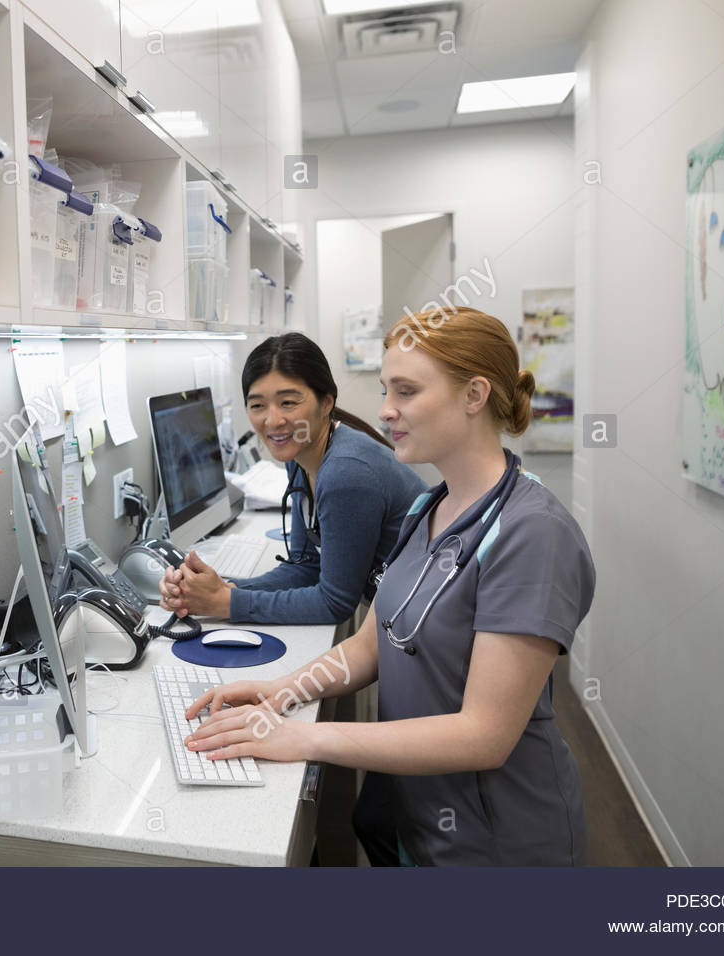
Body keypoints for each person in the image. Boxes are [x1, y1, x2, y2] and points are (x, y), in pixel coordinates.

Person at [183, 307, 596, 866]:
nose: (385, 410)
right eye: (385, 389)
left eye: (406, 390)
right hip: (415, 807)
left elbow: (485, 735)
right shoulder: (431, 507)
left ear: (474, 395)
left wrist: (307, 739)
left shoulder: (532, 536)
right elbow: (372, 643)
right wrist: (283, 689)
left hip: (497, 838)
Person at [159, 332, 426, 625]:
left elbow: (334, 603)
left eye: (287, 402)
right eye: (257, 405)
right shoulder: (301, 457)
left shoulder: (345, 472)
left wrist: (226, 603)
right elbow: (305, 566)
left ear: (326, 403)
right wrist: (216, 591)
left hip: (426, 628)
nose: (273, 421)